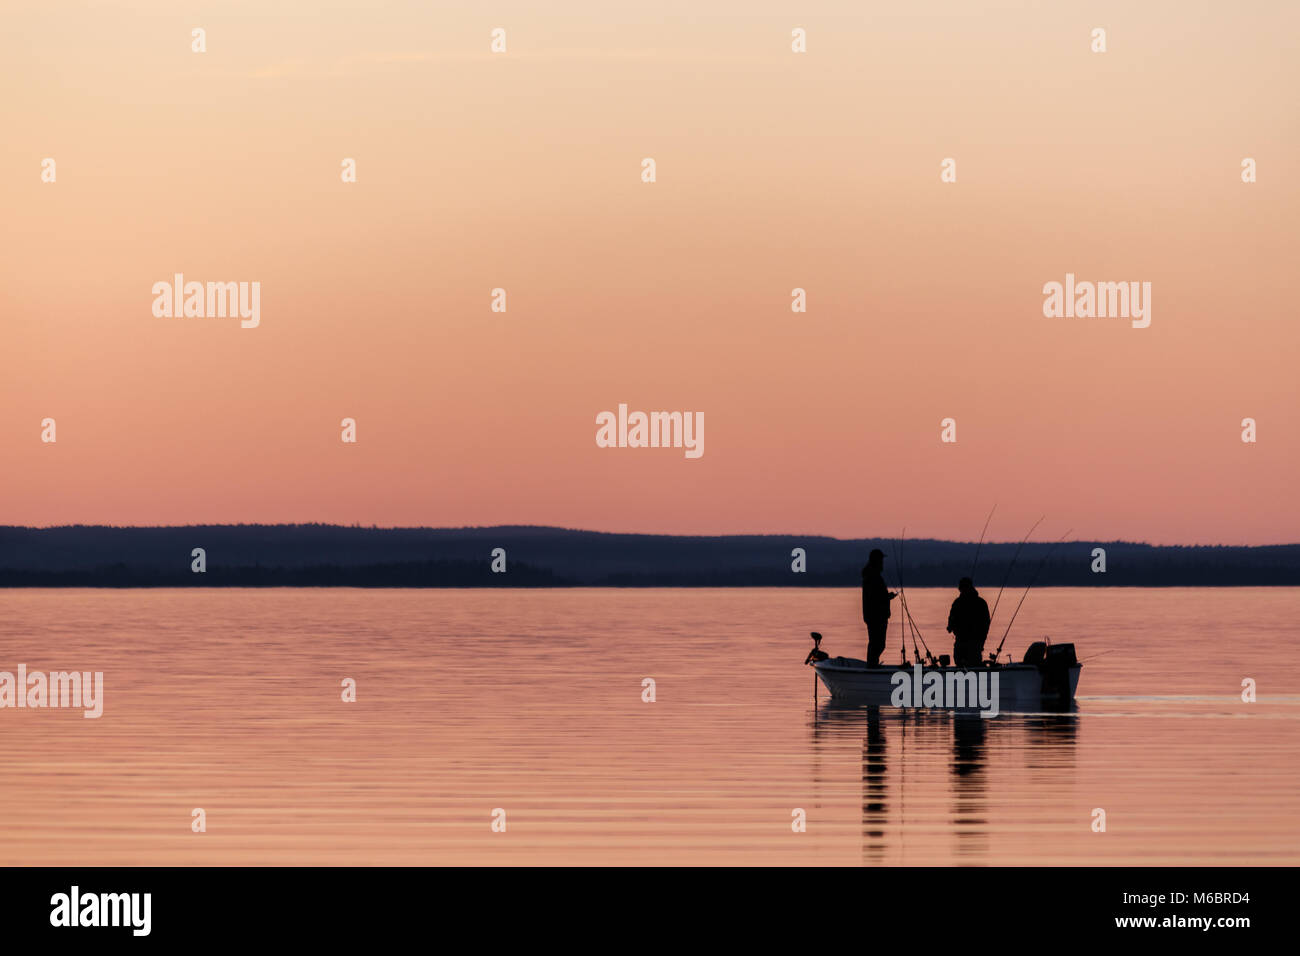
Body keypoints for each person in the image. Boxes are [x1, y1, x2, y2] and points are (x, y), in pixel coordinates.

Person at [861, 549, 897, 666]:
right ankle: (871, 666)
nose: (882, 562)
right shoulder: (873, 577)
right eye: (881, 560)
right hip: (876, 616)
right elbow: (875, 597)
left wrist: (887, 597)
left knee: (876, 643)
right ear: (876, 561)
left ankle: (872, 665)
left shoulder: (872, 575)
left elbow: (877, 596)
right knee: (877, 644)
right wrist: (888, 597)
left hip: (875, 616)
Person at [946, 577, 991, 667]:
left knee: (970, 665)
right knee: (963, 664)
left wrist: (951, 627)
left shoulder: (959, 603)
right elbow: (951, 620)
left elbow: (985, 623)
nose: (962, 589)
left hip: (973, 642)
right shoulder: (979, 602)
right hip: (965, 641)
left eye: (963, 587)